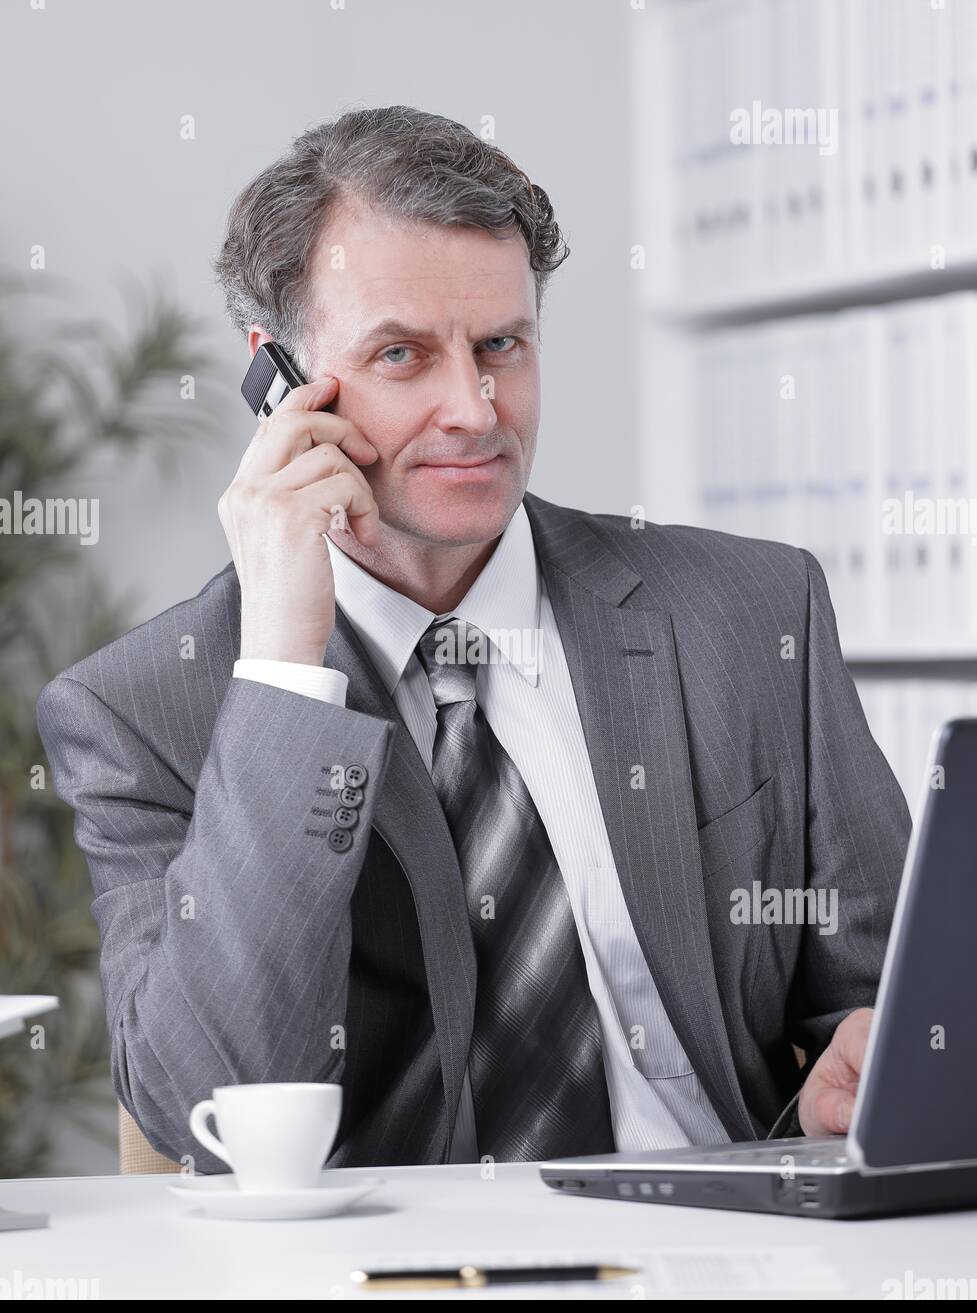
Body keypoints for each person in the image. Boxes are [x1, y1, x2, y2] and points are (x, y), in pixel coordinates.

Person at [36, 106, 911, 1173]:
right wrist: (279, 669)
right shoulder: (141, 709)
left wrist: (863, 1069)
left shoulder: (751, 613)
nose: (474, 408)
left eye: (500, 344)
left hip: (723, 1254)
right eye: (401, 355)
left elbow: (887, 999)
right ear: (278, 380)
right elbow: (206, 1110)